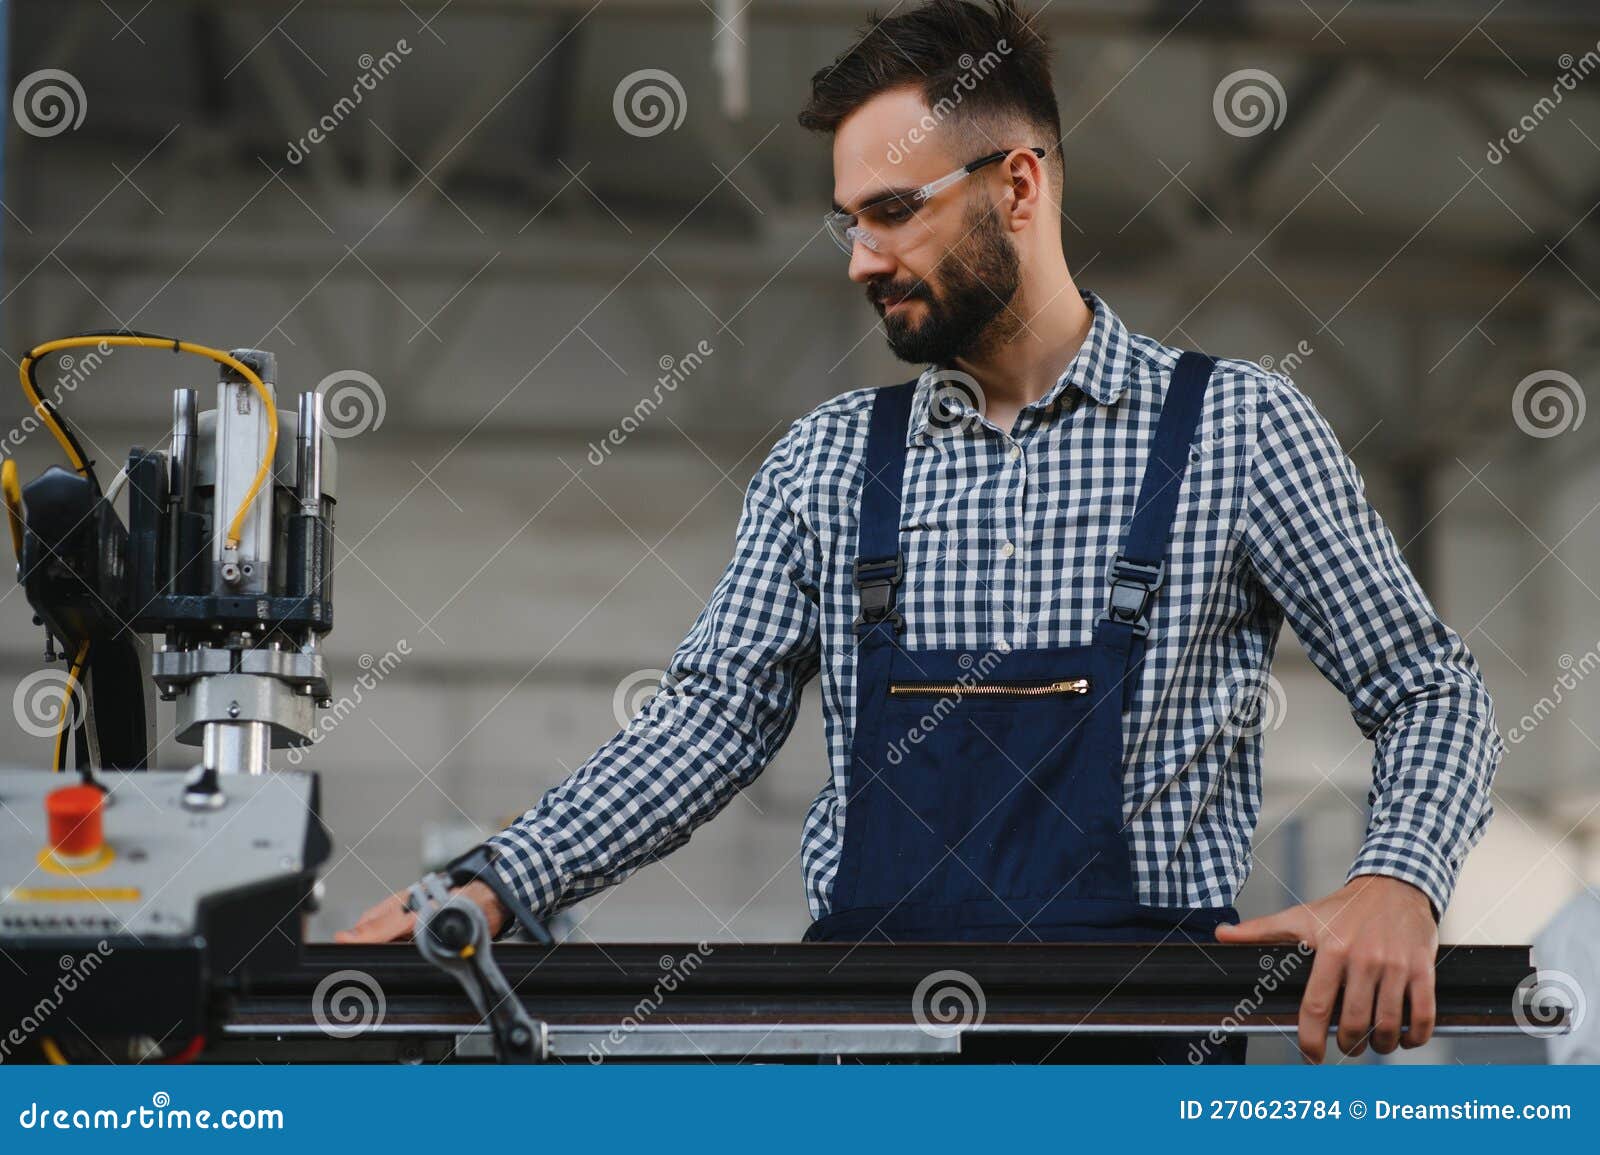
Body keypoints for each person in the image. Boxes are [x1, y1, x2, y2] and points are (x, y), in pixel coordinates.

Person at [341, 0, 1501, 1065]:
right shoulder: (829, 461)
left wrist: (1396, 881)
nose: (859, 259)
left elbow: (1428, 690)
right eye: (848, 220)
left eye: (893, 212)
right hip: (878, 1053)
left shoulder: (1236, 429)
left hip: (1146, 1057)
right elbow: (705, 721)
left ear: (1019, 186)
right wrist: (492, 888)